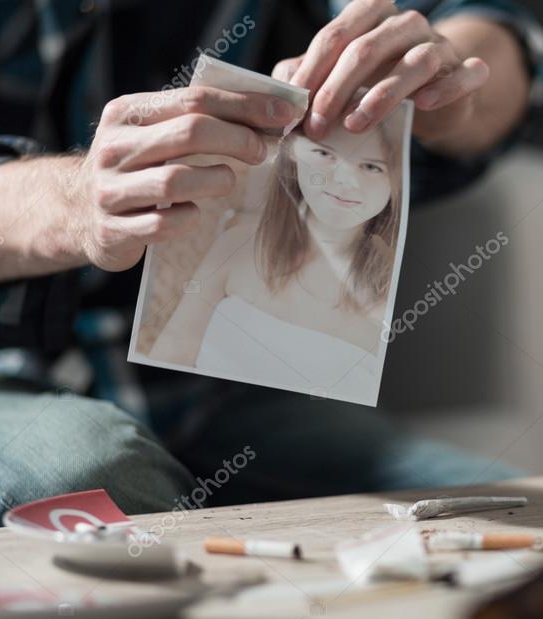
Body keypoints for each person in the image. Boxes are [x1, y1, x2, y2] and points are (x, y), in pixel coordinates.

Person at [0, 0, 543, 536]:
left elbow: (496, 37)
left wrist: (445, 83)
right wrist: (78, 200)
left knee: (519, 523)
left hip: (202, 392)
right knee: (89, 475)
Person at [148, 110, 406, 403]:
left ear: (397, 183)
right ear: (294, 157)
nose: (345, 180)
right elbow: (173, 351)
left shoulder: (392, 295)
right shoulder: (238, 244)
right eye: (325, 153)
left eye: (372, 167)